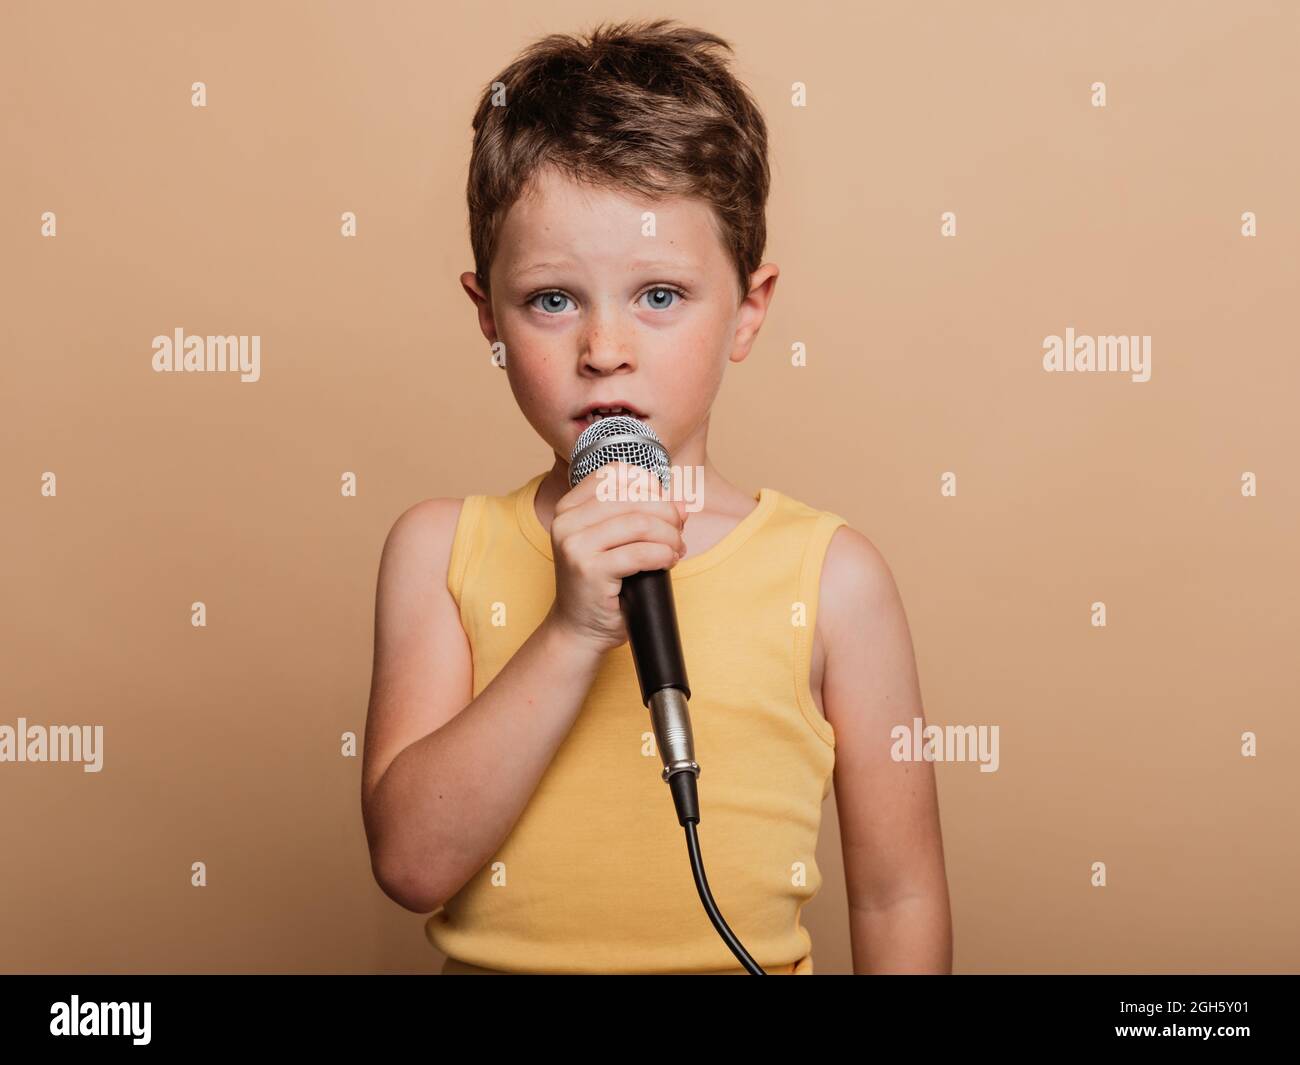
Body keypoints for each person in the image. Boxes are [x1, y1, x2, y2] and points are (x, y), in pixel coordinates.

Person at [360, 18, 951, 975]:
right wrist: (570, 631)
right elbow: (413, 861)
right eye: (552, 299)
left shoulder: (833, 578)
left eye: (660, 295)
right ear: (489, 316)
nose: (604, 349)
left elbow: (899, 891)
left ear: (748, 312)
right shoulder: (440, 551)